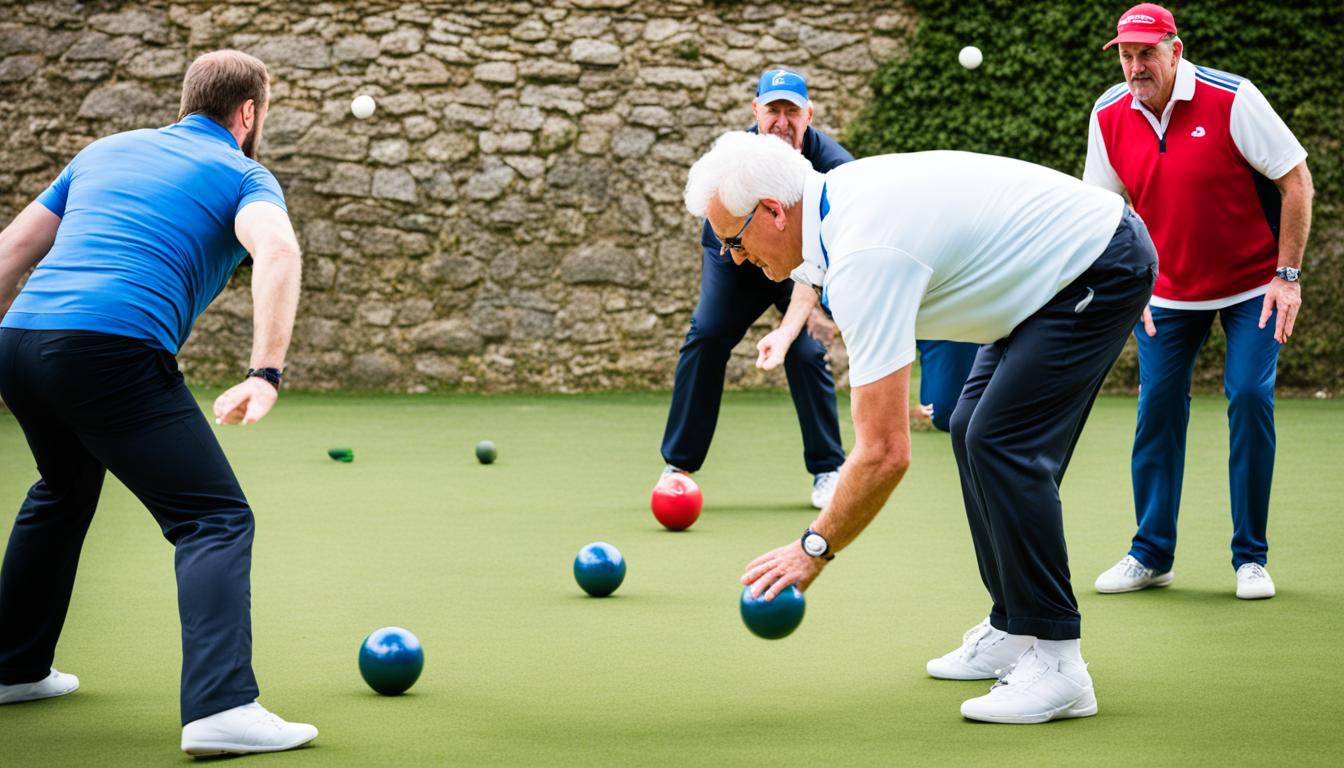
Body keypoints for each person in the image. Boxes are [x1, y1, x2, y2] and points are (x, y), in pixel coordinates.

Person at [688, 131, 1156, 723]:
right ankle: (1014, 627)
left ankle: (1061, 664)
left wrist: (813, 549)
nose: (732, 256)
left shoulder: (863, 252)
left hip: (1094, 265)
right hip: (1036, 282)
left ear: (774, 211)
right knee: (969, 428)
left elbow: (885, 452)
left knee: (1004, 444)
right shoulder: (829, 209)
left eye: (732, 240)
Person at [0, 50, 318, 755]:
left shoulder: (104, 151)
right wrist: (265, 372)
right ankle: (222, 708)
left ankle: (12, 666)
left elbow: (9, 253)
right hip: (107, 350)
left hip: (19, 342)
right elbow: (279, 251)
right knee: (213, 517)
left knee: (63, 487)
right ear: (248, 113)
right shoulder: (245, 173)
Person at [1085, 4, 1313, 600]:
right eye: (1127, 55)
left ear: (1176, 50)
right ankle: (1151, 553)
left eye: (1147, 53)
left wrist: (1286, 276)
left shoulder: (1233, 99)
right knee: (1157, 405)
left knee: (1249, 395)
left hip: (1251, 286)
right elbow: (1102, 212)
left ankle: (1251, 559)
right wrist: (1121, 283)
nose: (1136, 66)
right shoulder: (1108, 113)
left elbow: (1296, 180)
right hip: (1164, 290)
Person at [661, 69, 848, 509]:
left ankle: (828, 469)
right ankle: (678, 467)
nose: (781, 121)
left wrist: (797, 325)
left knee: (806, 349)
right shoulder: (733, 157)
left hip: (806, 262)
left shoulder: (837, 170)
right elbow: (713, 209)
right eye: (772, 111)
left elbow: (824, 260)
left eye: (792, 112)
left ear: (809, 114)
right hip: (736, 253)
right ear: (755, 112)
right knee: (707, 335)